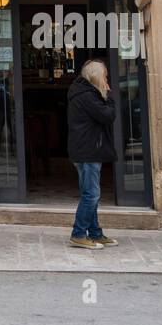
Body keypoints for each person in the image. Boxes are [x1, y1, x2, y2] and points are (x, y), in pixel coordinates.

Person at [66, 58, 118, 248]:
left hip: (86, 150)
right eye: (104, 75)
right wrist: (109, 96)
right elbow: (107, 116)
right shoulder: (87, 96)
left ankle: (95, 233)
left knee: (90, 193)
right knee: (91, 195)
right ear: (96, 76)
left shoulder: (84, 93)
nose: (106, 79)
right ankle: (79, 233)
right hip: (88, 151)